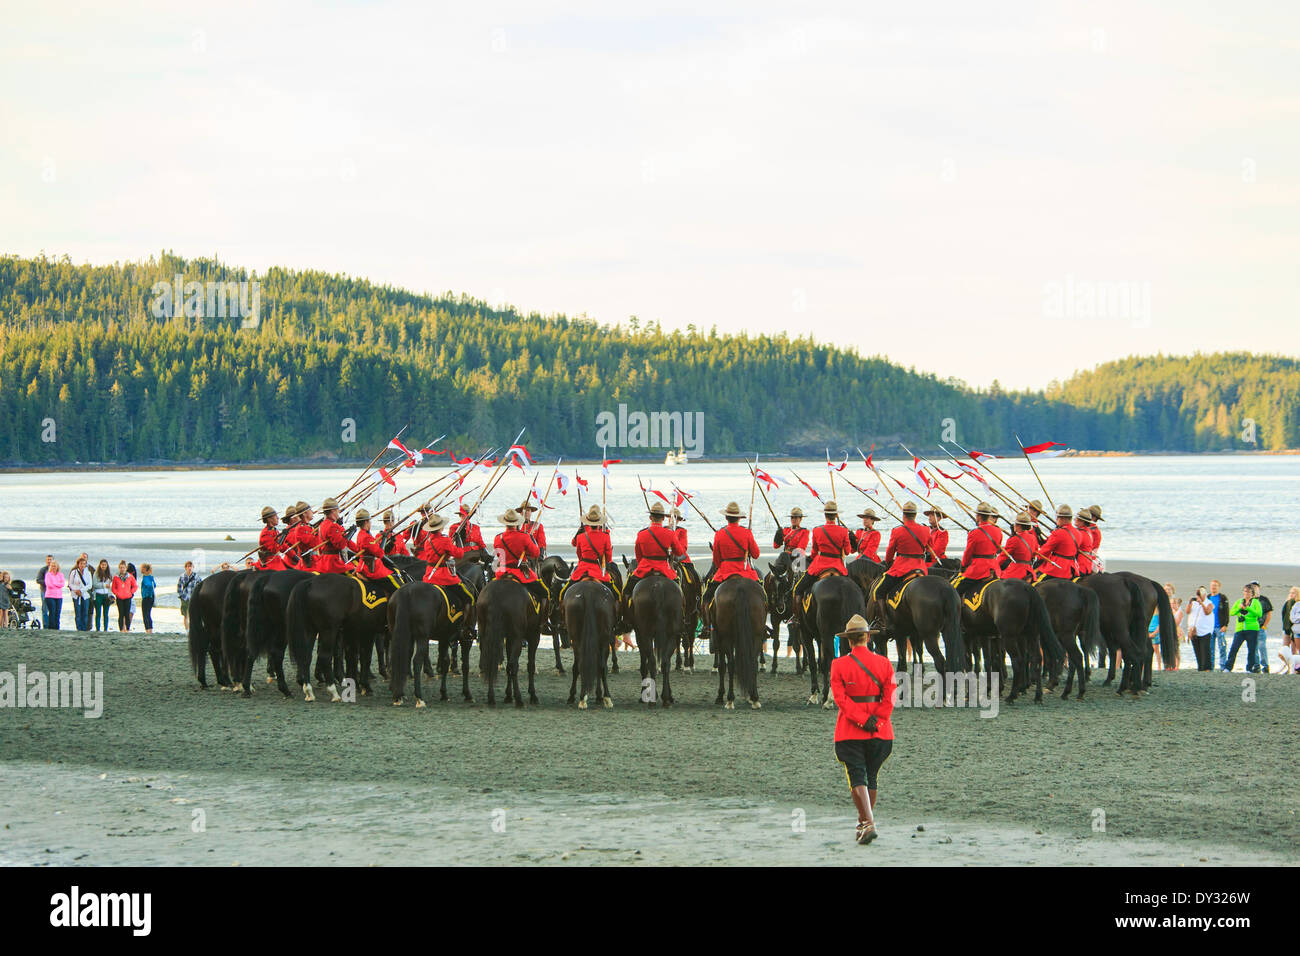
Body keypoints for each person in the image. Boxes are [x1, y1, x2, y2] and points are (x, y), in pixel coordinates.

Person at [829, 614, 896, 846]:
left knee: (857, 776)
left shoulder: (838, 664)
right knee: (872, 776)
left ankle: (868, 823)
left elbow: (841, 700)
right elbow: (889, 698)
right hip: (881, 731)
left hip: (850, 730)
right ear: (867, 637)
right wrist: (876, 722)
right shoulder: (885, 663)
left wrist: (861, 720)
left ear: (849, 641)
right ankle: (863, 823)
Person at [623, 502, 682, 622]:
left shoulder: (641, 534)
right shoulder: (670, 534)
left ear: (650, 517)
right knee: (680, 592)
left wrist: (644, 564)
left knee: (626, 592)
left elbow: (638, 556)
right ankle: (681, 618)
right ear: (664, 518)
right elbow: (680, 551)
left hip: (644, 568)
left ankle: (625, 621)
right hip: (665, 571)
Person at [792, 501, 852, 610]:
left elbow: (814, 552)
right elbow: (847, 551)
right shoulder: (844, 531)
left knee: (798, 589)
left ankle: (796, 618)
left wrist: (809, 558)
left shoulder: (817, 530)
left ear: (825, 515)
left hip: (820, 566)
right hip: (838, 567)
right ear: (836, 515)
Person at [870, 501, 931, 607]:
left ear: (903, 515)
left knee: (878, 592)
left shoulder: (897, 531)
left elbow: (890, 552)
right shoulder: (926, 529)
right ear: (915, 515)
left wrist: (888, 562)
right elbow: (931, 549)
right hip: (921, 569)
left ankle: (881, 621)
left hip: (901, 569)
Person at [492, 507, 549, 614]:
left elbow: (500, 555)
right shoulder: (524, 537)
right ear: (517, 522)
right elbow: (536, 553)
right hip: (520, 573)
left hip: (502, 573)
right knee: (544, 593)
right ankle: (542, 621)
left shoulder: (497, 538)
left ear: (505, 523)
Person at [418, 513, 475, 617]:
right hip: (444, 576)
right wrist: (458, 541)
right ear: (441, 527)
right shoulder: (445, 540)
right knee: (469, 598)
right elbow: (460, 554)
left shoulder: (428, 541)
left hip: (430, 575)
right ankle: (467, 626)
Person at [954, 502, 1002, 603]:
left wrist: (963, 566)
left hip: (979, 569)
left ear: (979, 516)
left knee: (955, 590)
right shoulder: (998, 531)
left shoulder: (974, 533)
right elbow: (997, 549)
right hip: (994, 568)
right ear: (989, 516)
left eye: (976, 515)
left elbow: (968, 553)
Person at [567, 505, 616, 600]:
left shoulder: (581, 536)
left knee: (566, 589)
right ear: (599, 521)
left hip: (582, 567)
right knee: (615, 592)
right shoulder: (605, 535)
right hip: (598, 568)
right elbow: (609, 556)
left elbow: (579, 554)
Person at [1034, 505, 1079, 581]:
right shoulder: (1077, 532)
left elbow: (1045, 550)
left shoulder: (1058, 533)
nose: (1056, 520)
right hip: (1071, 568)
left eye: (1058, 517)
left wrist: (1036, 558)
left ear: (1063, 518)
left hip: (1057, 568)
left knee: (1035, 582)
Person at [1226, 584, 1262, 672]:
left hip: (1252, 629)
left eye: (1249, 592)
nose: (1246, 593)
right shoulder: (1239, 601)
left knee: (1251, 650)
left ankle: (1249, 668)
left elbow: (1259, 613)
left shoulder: (1256, 602)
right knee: (1234, 648)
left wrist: (1248, 608)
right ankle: (1228, 667)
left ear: (1252, 594)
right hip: (1240, 629)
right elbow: (1231, 612)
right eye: (1245, 591)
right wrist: (1239, 610)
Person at [315, 498, 356, 574]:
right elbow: (341, 545)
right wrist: (351, 533)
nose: (339, 512)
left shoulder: (323, 524)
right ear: (333, 511)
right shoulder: (332, 526)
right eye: (337, 510)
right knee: (355, 572)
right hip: (333, 562)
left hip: (324, 559)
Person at [352, 509, 393, 580]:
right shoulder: (366, 537)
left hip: (365, 565)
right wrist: (384, 539)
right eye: (369, 521)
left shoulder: (361, 534)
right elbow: (380, 554)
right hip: (371, 569)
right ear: (366, 522)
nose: (370, 523)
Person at [997, 512, 1036, 580]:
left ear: (1018, 526)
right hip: (1029, 571)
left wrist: (994, 566)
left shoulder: (1014, 540)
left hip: (1016, 571)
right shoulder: (1033, 537)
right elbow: (1034, 554)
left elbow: (1003, 556)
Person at [1186, 586, 1214, 671]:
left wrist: (1201, 603)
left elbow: (1207, 612)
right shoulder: (1194, 603)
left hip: (1205, 630)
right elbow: (1187, 611)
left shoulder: (1209, 603)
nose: (1199, 596)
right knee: (1197, 650)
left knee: (1205, 650)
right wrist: (1190, 602)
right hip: (1194, 631)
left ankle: (1207, 668)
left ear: (1205, 594)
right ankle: (1200, 667)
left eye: (1200, 594)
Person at [1249, 582, 1272, 674]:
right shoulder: (1249, 599)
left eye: (1255, 587)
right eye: (1252, 587)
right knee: (1253, 647)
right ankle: (1256, 666)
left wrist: (1264, 626)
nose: (1254, 588)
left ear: (1259, 588)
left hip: (1261, 627)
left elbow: (1269, 613)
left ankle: (1265, 666)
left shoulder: (1264, 600)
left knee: (1262, 647)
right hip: (1251, 627)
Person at [1207, 579, 1229, 670]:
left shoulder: (1223, 598)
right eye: (1212, 585)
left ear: (1219, 587)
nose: (1213, 587)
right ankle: (1211, 666)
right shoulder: (1208, 597)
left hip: (1220, 626)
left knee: (1222, 647)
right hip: (1209, 627)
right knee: (1210, 648)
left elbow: (1226, 612)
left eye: (1215, 585)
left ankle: (1223, 666)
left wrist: (1225, 625)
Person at [110, 561, 137, 631]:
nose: (122, 569)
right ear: (119, 568)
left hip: (128, 597)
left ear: (126, 568)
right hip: (119, 598)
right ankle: (121, 629)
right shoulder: (116, 577)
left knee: (127, 614)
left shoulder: (130, 576)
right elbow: (113, 588)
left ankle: (127, 629)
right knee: (121, 614)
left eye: (123, 568)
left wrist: (131, 592)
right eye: (121, 568)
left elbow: (135, 586)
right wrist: (117, 593)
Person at [68, 555, 93, 631]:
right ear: (78, 564)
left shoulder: (88, 573)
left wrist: (81, 591)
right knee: (78, 612)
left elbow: (90, 585)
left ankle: (84, 628)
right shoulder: (74, 572)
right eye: (81, 563)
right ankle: (78, 628)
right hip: (76, 595)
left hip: (85, 595)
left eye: (84, 563)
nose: (82, 565)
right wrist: (76, 590)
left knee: (85, 612)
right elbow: (70, 583)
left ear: (86, 564)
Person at [177, 560, 200, 631]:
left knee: (193, 614)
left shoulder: (196, 576)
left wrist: (198, 595)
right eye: (187, 566)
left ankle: (193, 629)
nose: (189, 568)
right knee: (185, 615)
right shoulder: (182, 576)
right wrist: (181, 596)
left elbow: (200, 585)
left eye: (190, 566)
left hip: (193, 597)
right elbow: (179, 587)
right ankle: (187, 630)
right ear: (185, 568)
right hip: (185, 597)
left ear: (193, 567)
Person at [43, 559, 66, 629]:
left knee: (57, 612)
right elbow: (49, 584)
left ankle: (57, 627)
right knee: (52, 612)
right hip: (50, 596)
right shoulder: (48, 575)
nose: (53, 567)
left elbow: (62, 584)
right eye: (52, 566)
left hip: (59, 596)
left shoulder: (61, 575)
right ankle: (51, 627)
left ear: (57, 567)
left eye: (55, 566)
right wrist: (57, 584)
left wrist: (55, 584)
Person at [91, 559, 113, 631]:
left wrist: (110, 595)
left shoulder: (109, 574)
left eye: (105, 565)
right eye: (102, 565)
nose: (103, 566)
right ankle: (98, 628)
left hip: (106, 595)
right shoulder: (96, 573)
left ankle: (105, 629)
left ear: (107, 566)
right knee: (98, 613)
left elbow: (109, 586)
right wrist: (103, 585)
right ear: (100, 565)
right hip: (98, 595)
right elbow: (95, 584)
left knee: (106, 614)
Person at [139, 563, 157, 633]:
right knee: (148, 614)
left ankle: (148, 629)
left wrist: (147, 591)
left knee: (145, 614)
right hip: (151, 597)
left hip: (147, 597)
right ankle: (150, 629)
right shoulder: (151, 577)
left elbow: (148, 585)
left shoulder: (146, 577)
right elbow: (154, 585)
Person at [1282, 586, 1299, 657]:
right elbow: (1284, 614)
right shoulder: (1288, 602)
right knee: (1285, 648)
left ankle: (1294, 665)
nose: (1291, 594)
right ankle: (1289, 664)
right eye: (1290, 593)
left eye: (1293, 593)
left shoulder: (1296, 603)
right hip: (1287, 627)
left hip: (1294, 628)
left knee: (1293, 648)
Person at [35, 554, 52, 627]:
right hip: (44, 591)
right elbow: (38, 580)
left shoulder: (55, 569)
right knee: (45, 609)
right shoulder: (43, 570)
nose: (49, 561)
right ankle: (45, 625)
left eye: (50, 559)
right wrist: (47, 582)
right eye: (48, 560)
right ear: (46, 561)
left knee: (52, 609)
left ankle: (52, 625)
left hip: (53, 592)